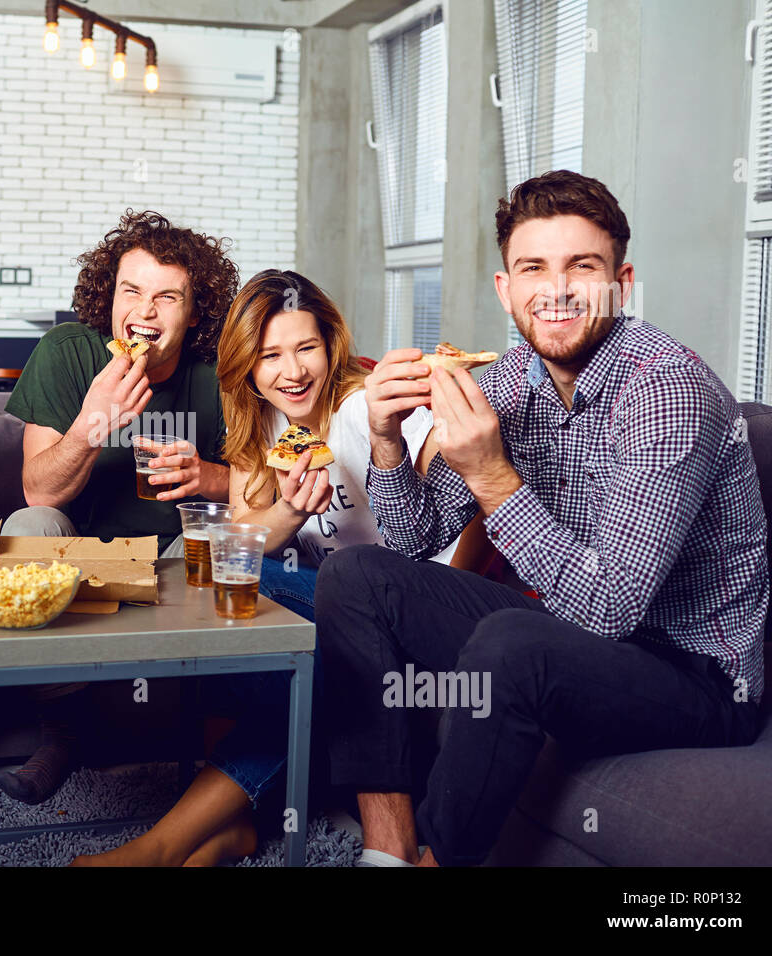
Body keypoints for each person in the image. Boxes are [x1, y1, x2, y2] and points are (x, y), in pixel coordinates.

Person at [318, 170, 765, 867]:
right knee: (356, 577)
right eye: (533, 268)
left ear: (621, 280)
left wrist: (493, 475)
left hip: (696, 677)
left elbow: (610, 609)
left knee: (510, 642)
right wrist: (384, 441)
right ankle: (389, 850)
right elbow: (413, 542)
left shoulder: (669, 392)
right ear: (506, 288)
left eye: (581, 266)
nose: (555, 289)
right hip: (572, 636)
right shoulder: (506, 378)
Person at [70, 270, 484, 866]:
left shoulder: (371, 408)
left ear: (331, 345)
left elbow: (469, 513)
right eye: (269, 356)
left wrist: (442, 597)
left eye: (306, 349)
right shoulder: (260, 424)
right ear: (248, 367)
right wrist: (289, 508)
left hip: (410, 605)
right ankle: (237, 825)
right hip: (338, 620)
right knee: (221, 581)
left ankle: (158, 848)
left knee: (244, 585)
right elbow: (242, 539)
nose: (292, 372)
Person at [0, 209, 239, 806]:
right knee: (26, 530)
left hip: (174, 571)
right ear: (109, 297)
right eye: (131, 291)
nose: (145, 312)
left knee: (224, 532)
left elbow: (258, 489)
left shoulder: (220, 374)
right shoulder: (67, 353)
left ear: (195, 310)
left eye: (167, 297)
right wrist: (91, 423)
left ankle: (208, 745)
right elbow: (39, 494)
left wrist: (208, 475)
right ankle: (64, 731)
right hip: (83, 568)